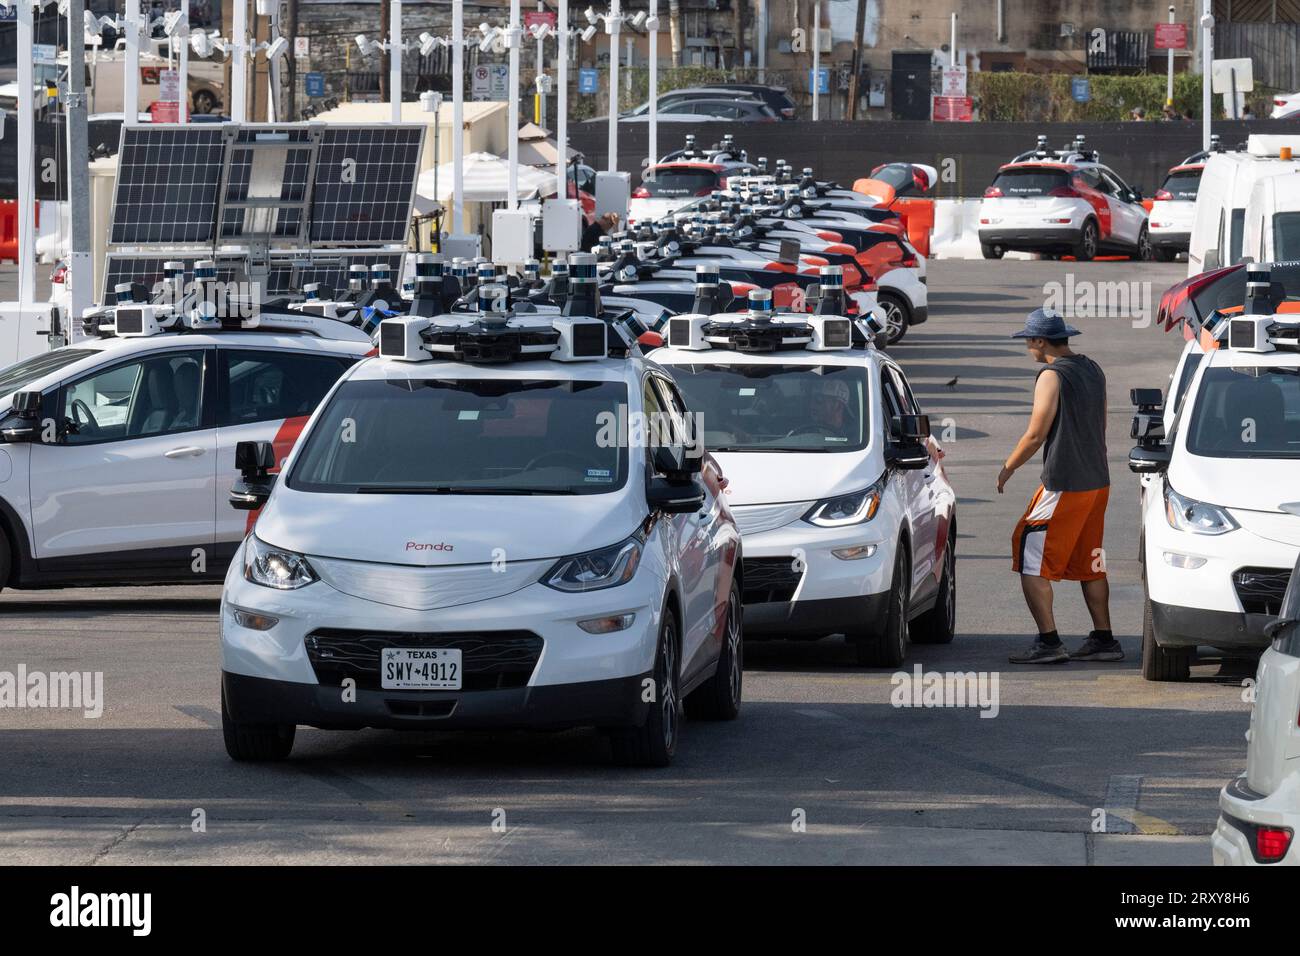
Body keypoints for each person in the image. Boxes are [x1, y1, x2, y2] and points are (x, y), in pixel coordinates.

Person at [998, 308, 1122, 664]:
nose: (1028, 348)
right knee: (1090, 563)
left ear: (1040, 341)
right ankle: (1104, 639)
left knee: (1029, 555)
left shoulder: (1051, 375)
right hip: (1097, 481)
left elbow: (1036, 433)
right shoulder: (1092, 368)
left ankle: (1049, 642)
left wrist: (1007, 467)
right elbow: (1100, 420)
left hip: (1065, 482)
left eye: (1028, 341)